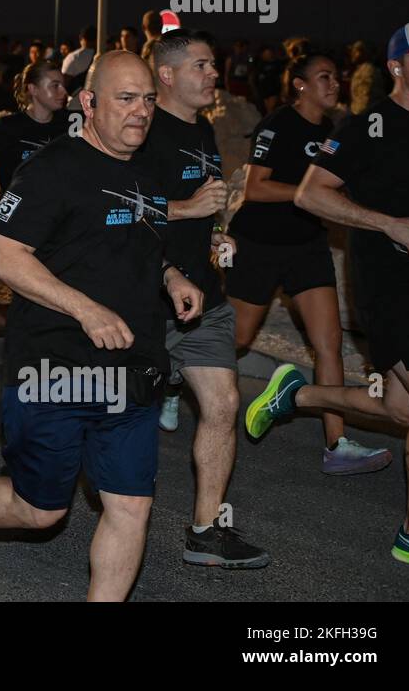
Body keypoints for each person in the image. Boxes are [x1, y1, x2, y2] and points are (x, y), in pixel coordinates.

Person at [0, 50, 204, 601]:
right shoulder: (52, 169)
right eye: (125, 99)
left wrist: (170, 278)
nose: (140, 112)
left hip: (132, 362)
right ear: (89, 103)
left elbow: (140, 241)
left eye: (146, 99)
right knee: (41, 510)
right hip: (53, 367)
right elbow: (4, 256)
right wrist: (86, 309)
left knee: (130, 504)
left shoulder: (147, 167)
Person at [255, 19, 409, 569]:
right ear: (397, 67)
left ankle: (296, 396)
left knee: (404, 410)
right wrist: (388, 224)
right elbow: (311, 194)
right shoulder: (368, 125)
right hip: (390, 285)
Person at [140, 29, 269, 566]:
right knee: (116, 419)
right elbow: (122, 210)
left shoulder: (204, 132)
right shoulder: (142, 133)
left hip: (204, 299)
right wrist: (188, 211)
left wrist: (212, 233)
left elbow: (204, 205)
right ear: (167, 75)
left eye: (213, 65)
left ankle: (204, 530)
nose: (214, 74)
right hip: (142, 297)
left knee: (223, 405)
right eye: (202, 65)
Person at [227, 51, 391, 474]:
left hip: (307, 246)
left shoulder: (335, 130)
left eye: (336, 76)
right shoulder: (278, 123)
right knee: (238, 338)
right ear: (299, 84)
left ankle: (336, 444)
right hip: (259, 243)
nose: (334, 84)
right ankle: (178, 380)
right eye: (324, 77)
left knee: (329, 342)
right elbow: (256, 189)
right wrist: (309, 192)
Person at [0, 59, 69, 365]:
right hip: (21, 227)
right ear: (32, 90)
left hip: (62, 225)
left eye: (63, 84)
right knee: (36, 304)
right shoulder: (8, 128)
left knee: (50, 302)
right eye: (54, 85)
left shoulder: (70, 126)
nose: (63, 91)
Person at [61, 25, 97, 93]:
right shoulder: (101, 56)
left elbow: (64, 82)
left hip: (75, 97)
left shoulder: (73, 56)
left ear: (81, 38)